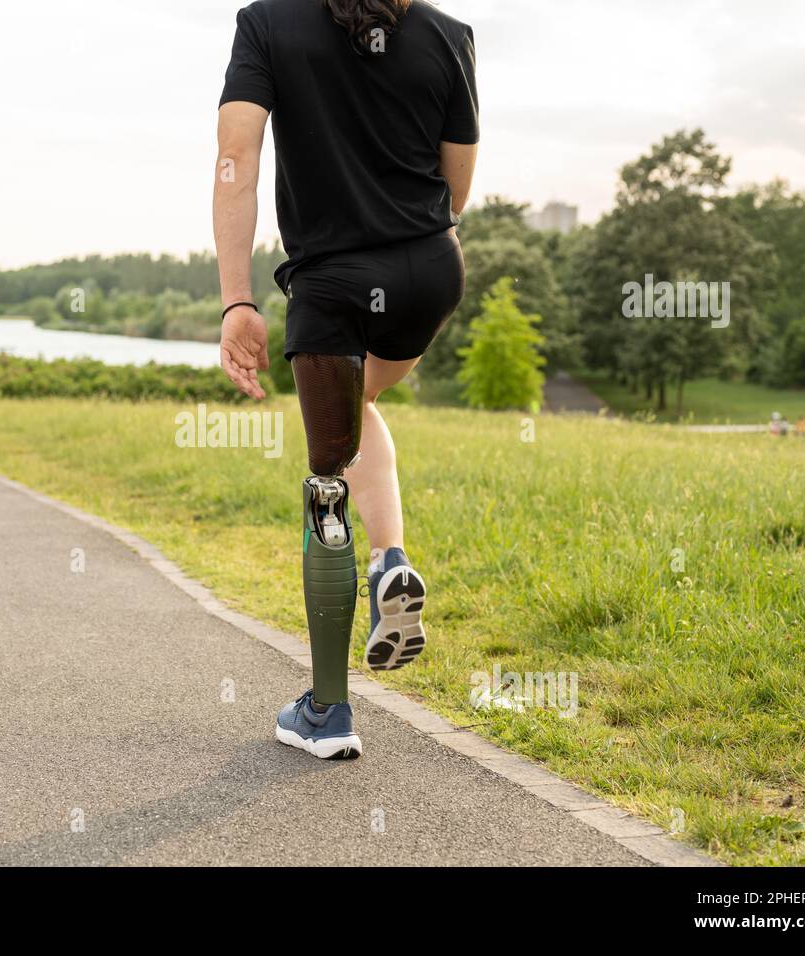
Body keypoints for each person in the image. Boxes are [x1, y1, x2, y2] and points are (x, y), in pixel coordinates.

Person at [212, 0, 478, 759]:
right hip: (430, 269)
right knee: (356, 408)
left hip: (333, 282)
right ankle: (390, 560)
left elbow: (236, 162)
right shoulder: (446, 35)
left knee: (326, 472)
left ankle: (328, 713)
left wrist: (238, 300)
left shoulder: (267, 24)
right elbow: (455, 189)